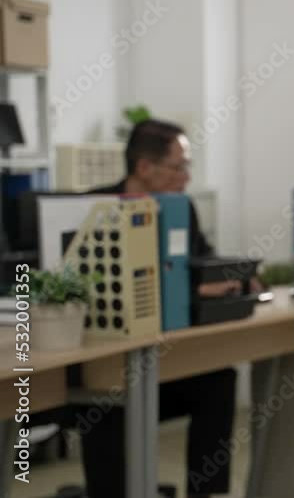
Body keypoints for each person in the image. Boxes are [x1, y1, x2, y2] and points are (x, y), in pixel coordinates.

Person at [83, 119, 237, 498]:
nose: (186, 178)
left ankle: (206, 492)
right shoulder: (94, 210)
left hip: (164, 360)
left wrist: (234, 278)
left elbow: (205, 262)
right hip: (106, 368)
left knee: (219, 379)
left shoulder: (181, 209)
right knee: (108, 403)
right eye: (178, 167)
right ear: (144, 168)